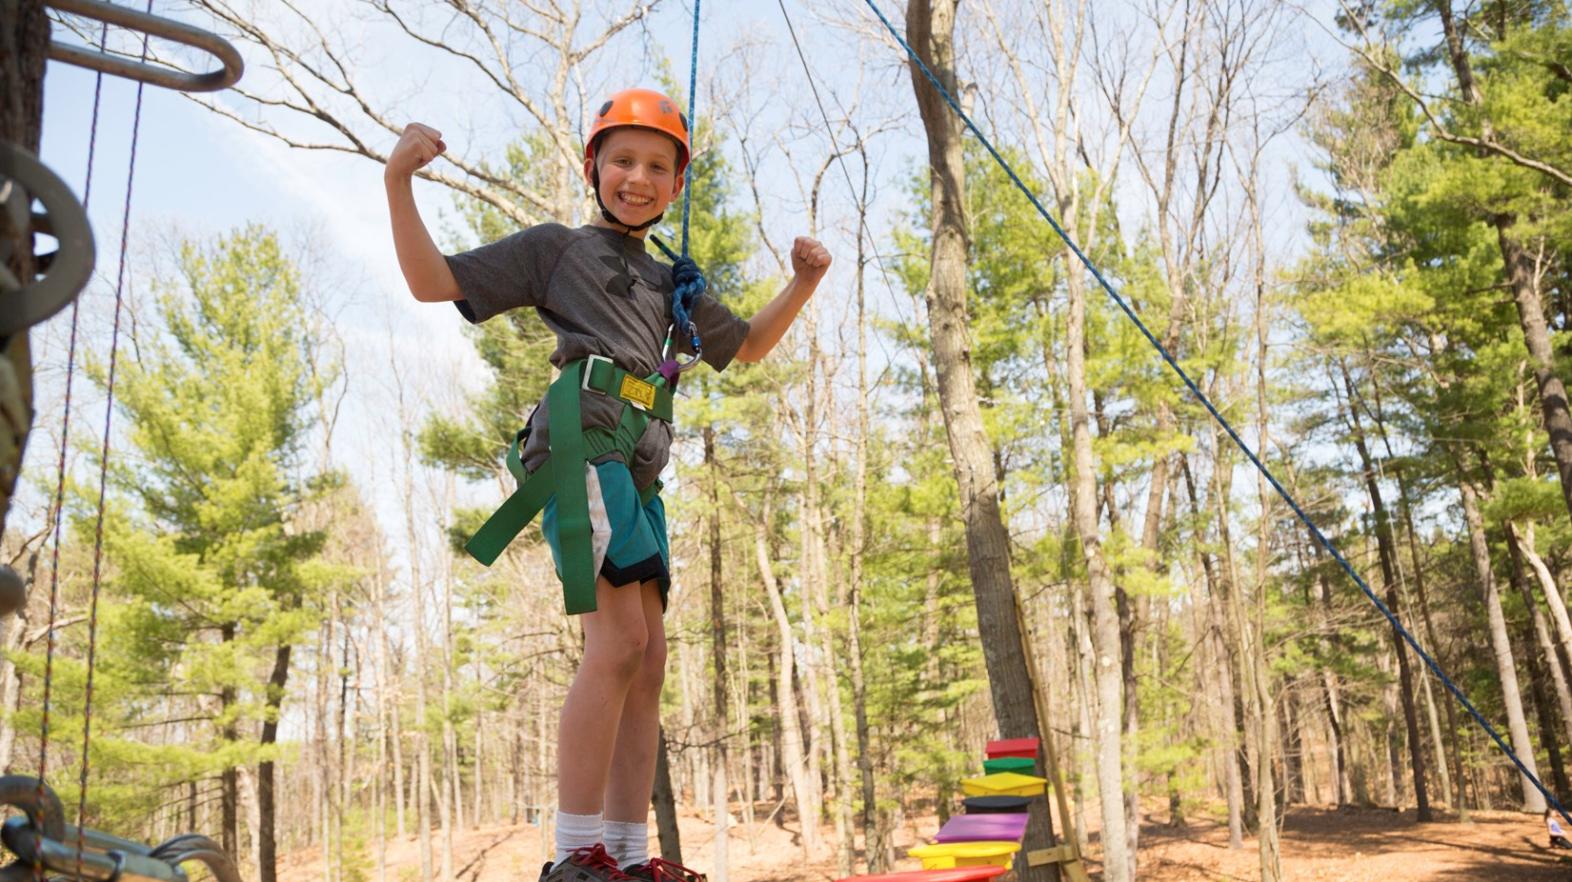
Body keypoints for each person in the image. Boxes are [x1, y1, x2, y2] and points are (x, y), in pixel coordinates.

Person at [384, 87, 830, 882]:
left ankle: (624, 856)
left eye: (658, 166)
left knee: (650, 657)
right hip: (582, 441)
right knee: (618, 641)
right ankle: (575, 852)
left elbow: (752, 347)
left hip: (636, 464)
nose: (638, 177)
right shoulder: (560, 250)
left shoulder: (673, 285)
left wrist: (801, 283)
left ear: (677, 186)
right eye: (622, 160)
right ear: (593, 168)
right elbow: (432, 282)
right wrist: (399, 183)